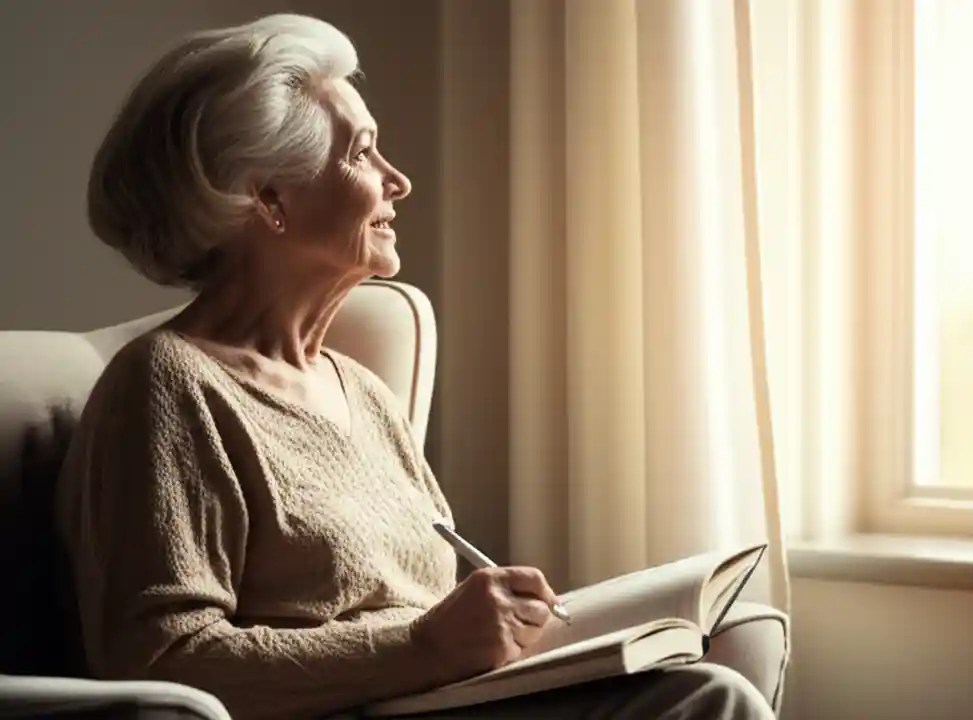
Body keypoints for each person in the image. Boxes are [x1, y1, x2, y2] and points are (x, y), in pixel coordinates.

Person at [53, 13, 777, 720]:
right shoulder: (169, 385)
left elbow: (431, 623)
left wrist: (503, 625)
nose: (396, 181)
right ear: (270, 199)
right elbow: (159, 662)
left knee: (725, 645)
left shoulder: (362, 390)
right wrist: (425, 645)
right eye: (362, 152)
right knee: (711, 700)